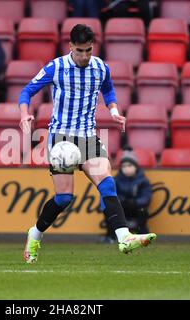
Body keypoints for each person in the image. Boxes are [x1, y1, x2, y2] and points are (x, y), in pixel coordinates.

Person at [19, 24, 157, 264]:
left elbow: (108, 90)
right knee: (64, 198)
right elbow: (26, 92)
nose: (84, 56)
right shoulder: (56, 67)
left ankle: (123, 237)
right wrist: (24, 114)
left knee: (107, 182)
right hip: (61, 137)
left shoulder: (100, 67)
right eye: (80, 50)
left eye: (89, 50)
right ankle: (35, 233)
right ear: (70, 46)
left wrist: (113, 110)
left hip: (88, 136)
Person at [102, 147, 152, 243]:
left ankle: (141, 234)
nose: (126, 169)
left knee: (143, 211)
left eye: (129, 165)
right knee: (110, 210)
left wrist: (134, 203)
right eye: (124, 166)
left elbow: (146, 198)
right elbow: (112, 196)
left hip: (137, 208)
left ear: (135, 166)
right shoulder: (116, 180)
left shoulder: (143, 180)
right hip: (121, 208)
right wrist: (121, 201)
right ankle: (111, 236)